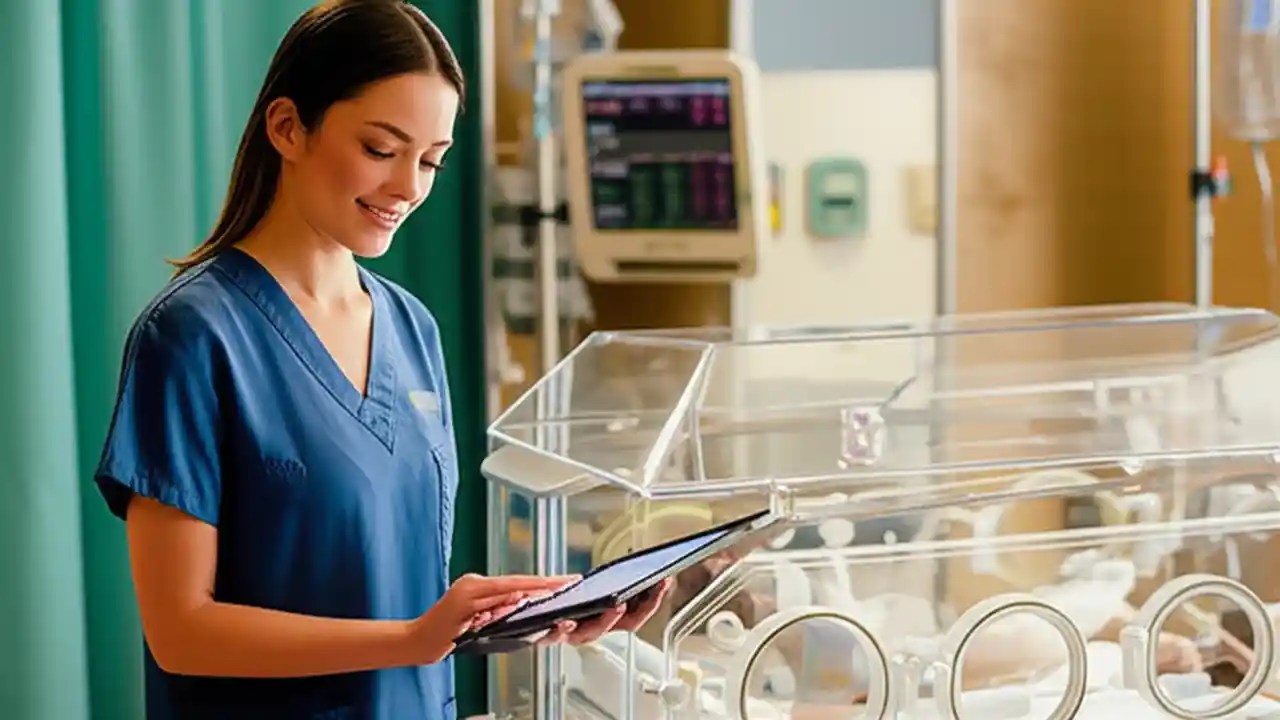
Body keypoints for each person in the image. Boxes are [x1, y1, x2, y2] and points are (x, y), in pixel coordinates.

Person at [92, 2, 668, 718]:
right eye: (380, 149)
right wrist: (410, 638)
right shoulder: (191, 337)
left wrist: (524, 616)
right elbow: (182, 632)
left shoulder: (411, 329)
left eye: (430, 160)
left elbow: (389, 588)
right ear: (287, 128)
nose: (409, 188)